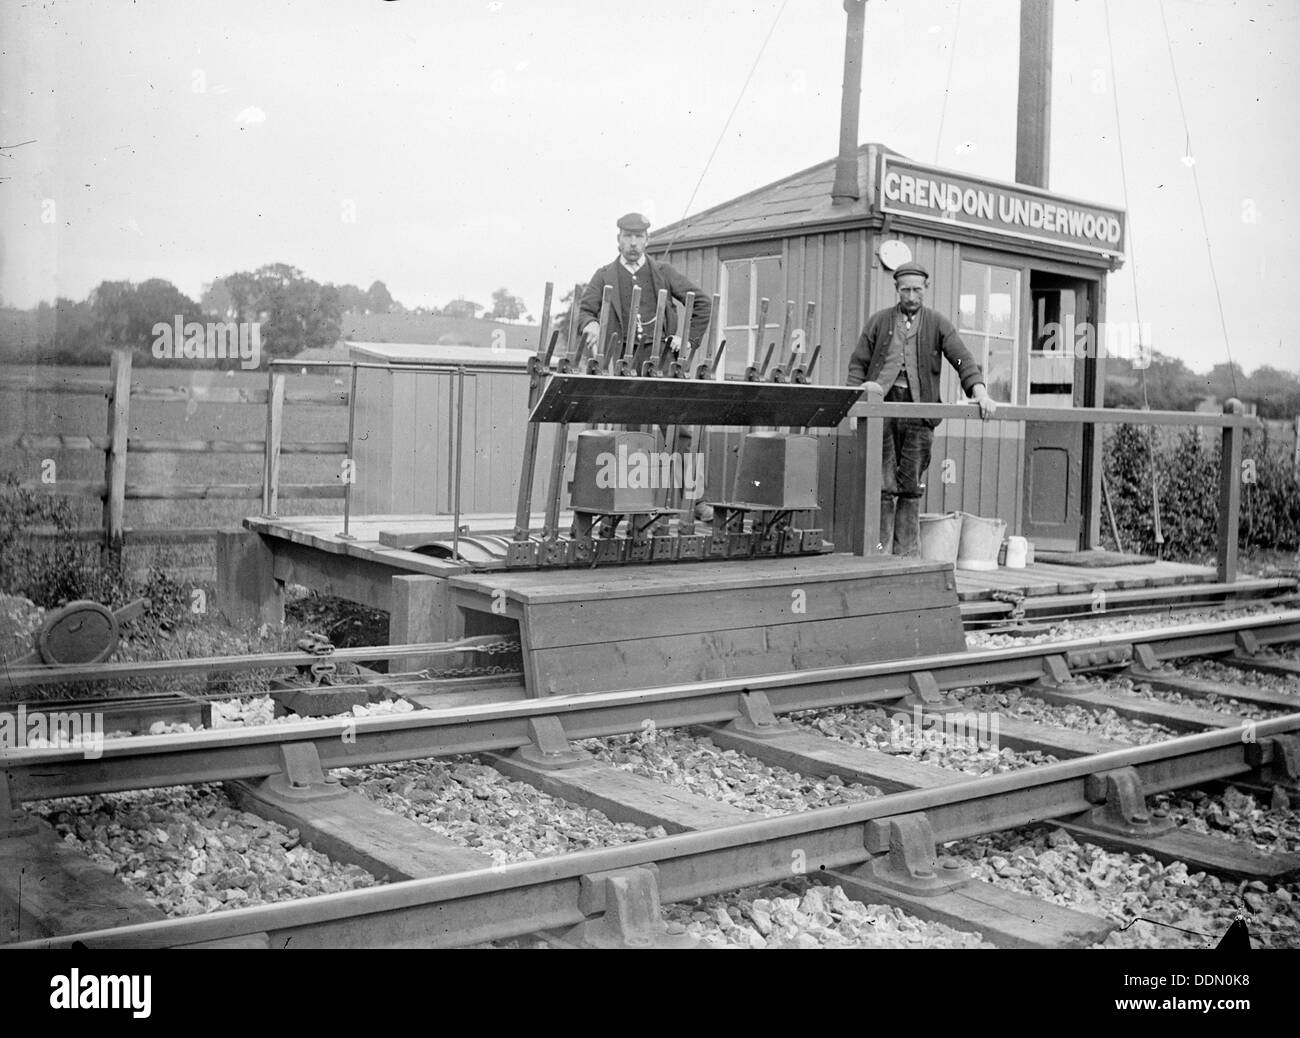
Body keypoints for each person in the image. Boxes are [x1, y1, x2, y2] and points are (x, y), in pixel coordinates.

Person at [846, 260, 998, 556]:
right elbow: (858, 365)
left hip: (920, 415)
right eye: (905, 290)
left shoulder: (938, 323)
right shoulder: (878, 322)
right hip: (882, 411)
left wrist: (980, 393)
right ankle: (878, 554)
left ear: (925, 289)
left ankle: (906, 559)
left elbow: (961, 359)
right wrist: (856, 409)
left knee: (911, 486)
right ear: (896, 290)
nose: (911, 296)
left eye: (917, 290)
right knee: (883, 485)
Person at [576, 212, 713, 520]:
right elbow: (584, 310)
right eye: (627, 236)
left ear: (647, 240)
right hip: (625, 363)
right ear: (618, 240)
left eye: (638, 237)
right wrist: (592, 325)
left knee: (680, 430)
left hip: (662, 360)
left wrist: (687, 341)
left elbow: (702, 302)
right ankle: (631, 506)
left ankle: (697, 499)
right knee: (631, 432)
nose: (633, 243)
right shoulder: (604, 276)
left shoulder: (662, 272)